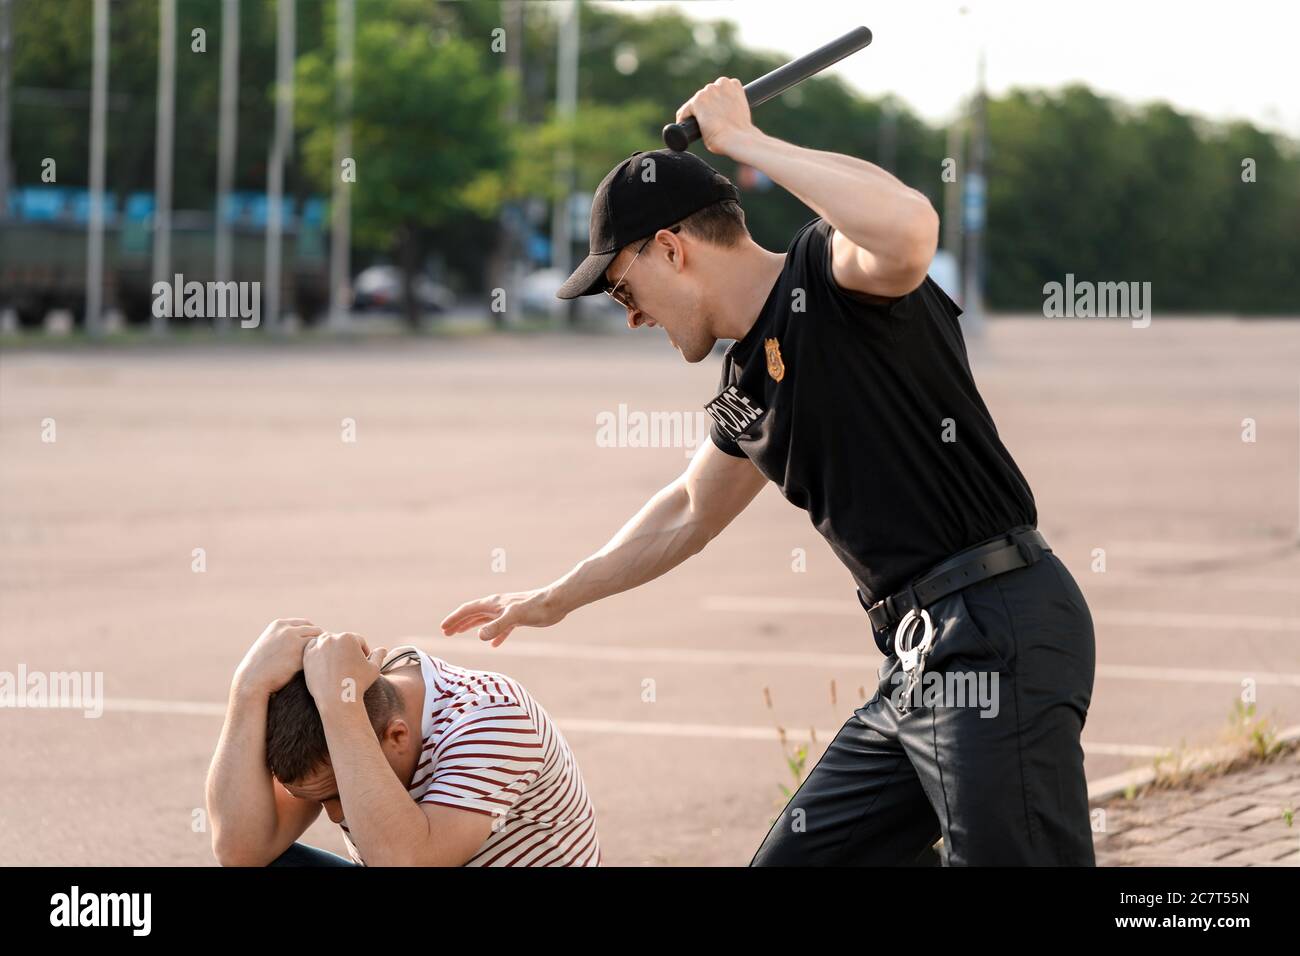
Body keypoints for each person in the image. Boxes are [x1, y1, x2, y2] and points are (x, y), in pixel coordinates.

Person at [442, 77, 1096, 866]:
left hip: (997, 627)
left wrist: (744, 142)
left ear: (672, 249)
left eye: (623, 287)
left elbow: (910, 228)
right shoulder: (747, 385)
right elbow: (687, 509)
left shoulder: (830, 276)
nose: (632, 315)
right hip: (918, 661)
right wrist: (553, 597)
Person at [205, 619, 600, 866]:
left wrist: (342, 708)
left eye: (335, 795)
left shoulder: (491, 717)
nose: (333, 816)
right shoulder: (326, 717)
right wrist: (247, 690)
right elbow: (241, 851)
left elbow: (406, 863)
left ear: (397, 734)